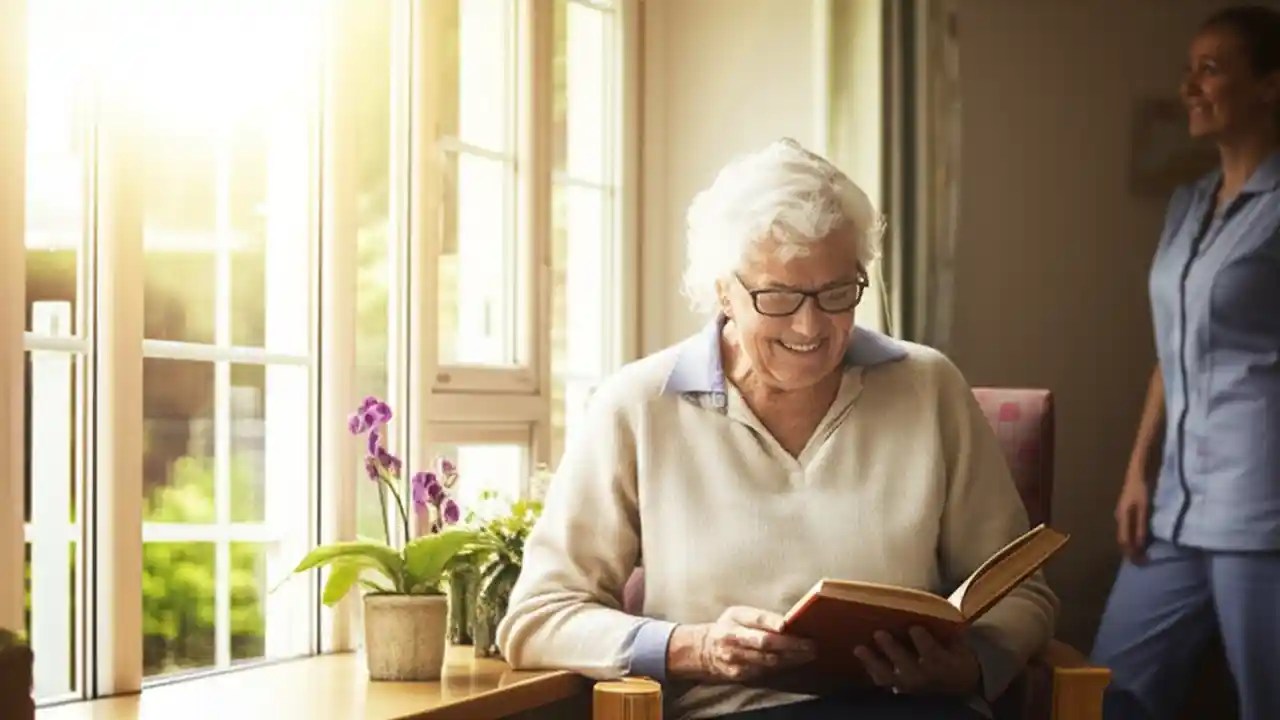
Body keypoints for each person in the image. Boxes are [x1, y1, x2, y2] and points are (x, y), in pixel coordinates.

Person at [496, 138, 1058, 719]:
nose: (810, 325)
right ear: (723, 291)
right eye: (778, 296)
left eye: (838, 292)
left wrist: (967, 664)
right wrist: (697, 647)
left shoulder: (928, 388)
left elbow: (1023, 592)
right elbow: (540, 617)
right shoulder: (639, 404)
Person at [1090, 6, 1280, 720]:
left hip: (1262, 510)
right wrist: (1138, 471)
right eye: (1188, 69)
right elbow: (1169, 351)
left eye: (1212, 68)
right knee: (1109, 693)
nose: (1190, 87)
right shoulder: (1188, 203)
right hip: (1174, 504)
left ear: (1269, 86)